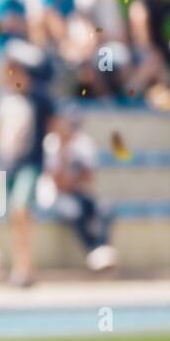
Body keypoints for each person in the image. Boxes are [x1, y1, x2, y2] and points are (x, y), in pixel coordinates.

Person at [0, 39, 54, 287]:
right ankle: (22, 266)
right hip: (9, 165)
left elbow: (54, 128)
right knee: (15, 217)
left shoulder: (39, 98)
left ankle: (25, 267)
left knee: (20, 209)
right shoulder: (2, 99)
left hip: (30, 163)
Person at [37, 108, 118, 272]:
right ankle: (95, 253)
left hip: (79, 193)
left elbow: (89, 178)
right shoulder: (51, 143)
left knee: (106, 209)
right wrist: (64, 151)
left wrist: (73, 181)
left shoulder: (84, 142)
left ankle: (100, 250)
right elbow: (58, 183)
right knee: (74, 210)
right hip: (55, 196)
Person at [128, 0, 170, 94]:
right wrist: (152, 52)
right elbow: (142, 38)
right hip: (145, 51)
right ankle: (129, 93)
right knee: (154, 63)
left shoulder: (167, 5)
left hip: (164, 51)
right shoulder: (140, 5)